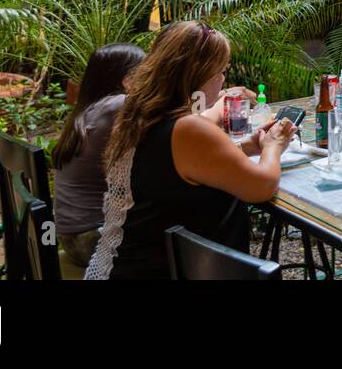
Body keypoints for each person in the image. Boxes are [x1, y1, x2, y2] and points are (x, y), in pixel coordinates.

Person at [86, 21, 296, 280]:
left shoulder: (144, 115)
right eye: (220, 71)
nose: (222, 79)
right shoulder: (187, 129)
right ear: (197, 74)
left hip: (129, 264)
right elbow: (261, 186)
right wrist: (273, 146)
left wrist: (245, 148)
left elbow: (177, 171)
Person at [52, 43, 146, 268]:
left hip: (73, 237)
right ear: (127, 79)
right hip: (93, 241)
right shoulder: (118, 104)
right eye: (145, 73)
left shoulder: (90, 109)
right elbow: (173, 124)